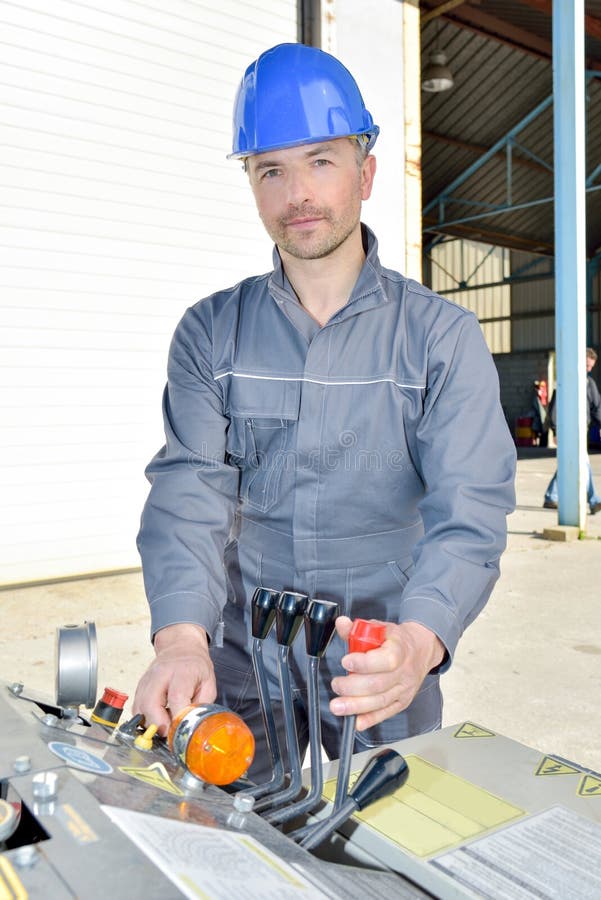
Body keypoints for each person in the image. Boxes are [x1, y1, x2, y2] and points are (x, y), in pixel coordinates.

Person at [133, 43, 516, 780]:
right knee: (233, 841)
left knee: (378, 857)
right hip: (244, 656)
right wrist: (180, 636)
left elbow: (469, 508)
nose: (296, 194)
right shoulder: (211, 333)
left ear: (365, 173)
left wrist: (422, 638)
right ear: (251, 185)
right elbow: (188, 491)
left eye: (319, 161)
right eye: (269, 170)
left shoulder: (438, 338)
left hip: (380, 658)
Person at [543, 347, 601, 514]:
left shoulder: (589, 384)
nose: (589, 369)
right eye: (587, 365)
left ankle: (551, 496)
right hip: (567, 430)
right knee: (582, 462)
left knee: (574, 462)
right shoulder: (566, 380)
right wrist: (555, 430)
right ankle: (593, 500)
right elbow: (556, 407)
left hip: (582, 430)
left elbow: (597, 407)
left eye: (591, 367)